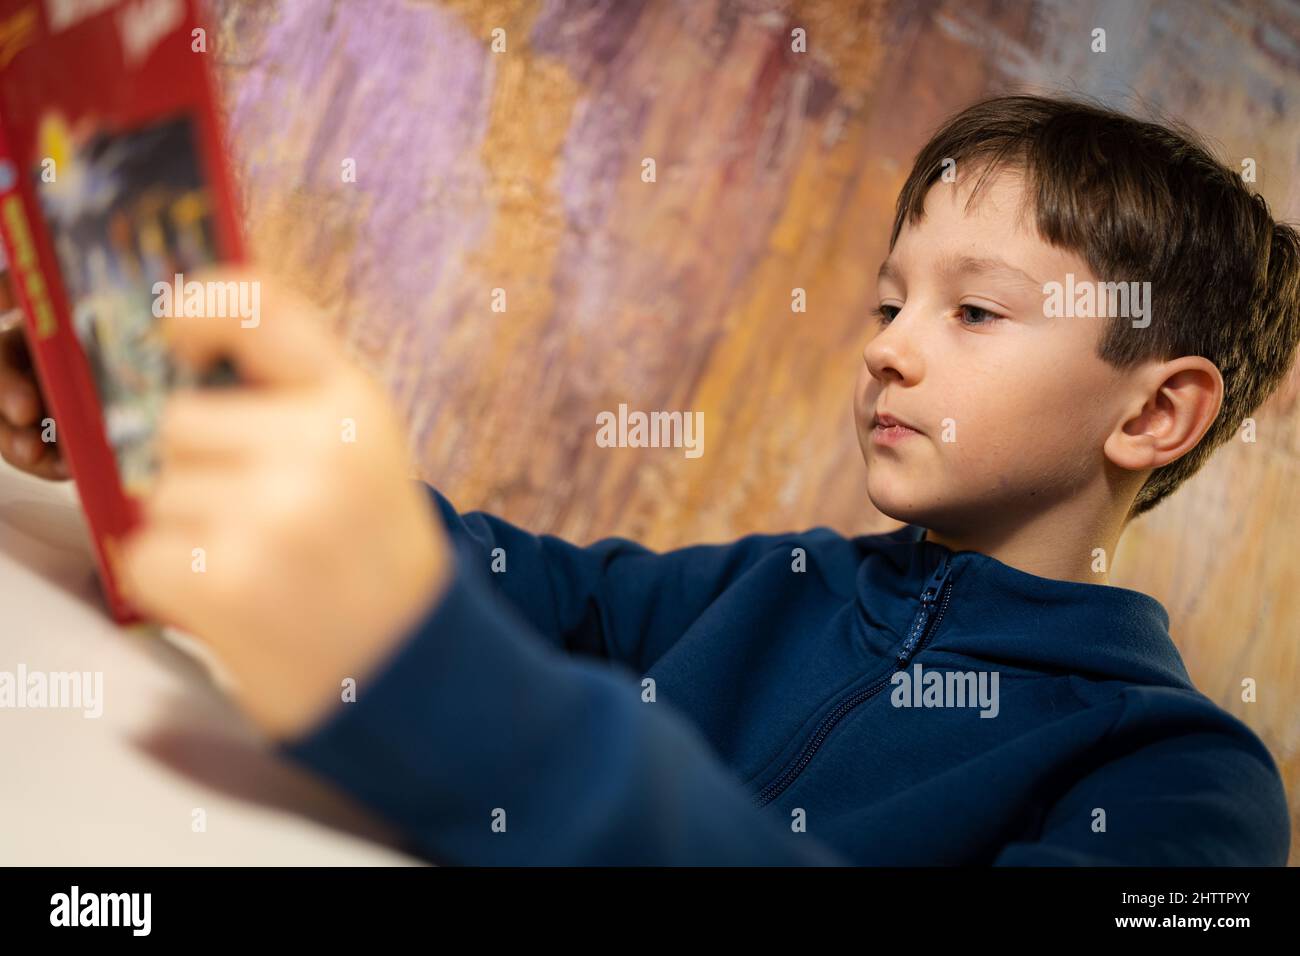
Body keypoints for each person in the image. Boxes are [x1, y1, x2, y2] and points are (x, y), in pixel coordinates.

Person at [1, 95, 1295, 865]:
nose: (887, 346)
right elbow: (526, 589)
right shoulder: (772, 582)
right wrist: (173, 428)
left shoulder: (1186, 782)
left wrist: (478, 710)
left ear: (1158, 412)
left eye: (976, 314)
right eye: (890, 299)